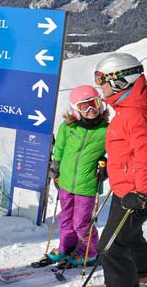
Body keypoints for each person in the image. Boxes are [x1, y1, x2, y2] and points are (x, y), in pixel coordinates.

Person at [90, 53, 147, 287]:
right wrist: (111, 169)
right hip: (128, 189)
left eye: (103, 80)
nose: (101, 86)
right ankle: (146, 272)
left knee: (110, 245)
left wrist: (141, 191)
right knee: (129, 236)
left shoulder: (134, 114)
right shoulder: (127, 110)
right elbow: (128, 153)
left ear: (121, 81)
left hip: (138, 192)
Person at [46, 85, 109, 268]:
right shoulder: (68, 126)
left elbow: (118, 151)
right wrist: (56, 170)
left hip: (87, 185)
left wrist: (107, 167)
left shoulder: (106, 130)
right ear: (75, 109)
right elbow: (60, 149)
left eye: (94, 104)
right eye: (84, 106)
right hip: (65, 182)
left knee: (81, 223)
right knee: (65, 219)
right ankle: (66, 247)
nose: (91, 110)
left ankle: (89, 252)